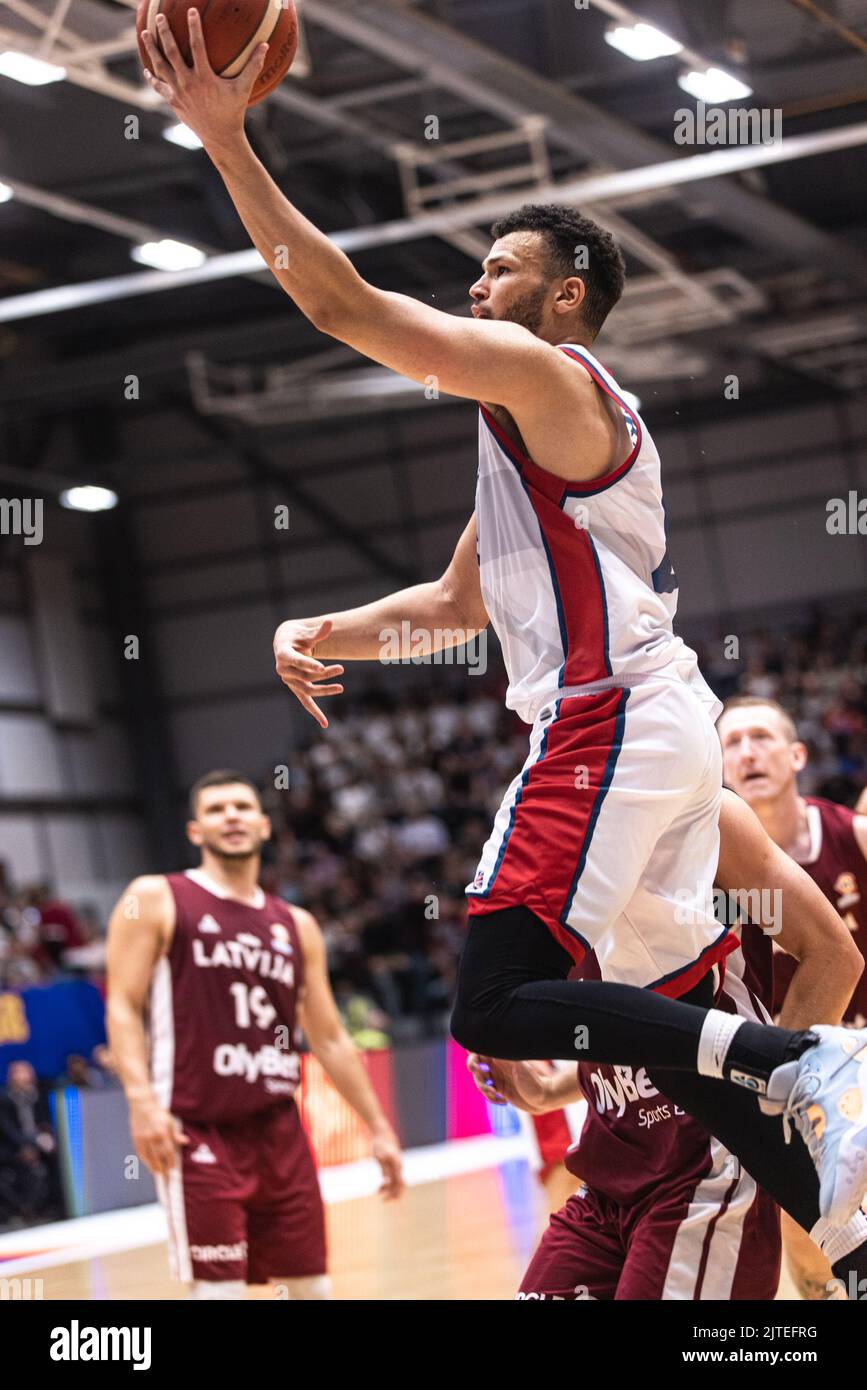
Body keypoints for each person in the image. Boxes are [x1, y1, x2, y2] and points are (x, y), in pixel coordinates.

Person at [142, 26, 867, 1234]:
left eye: (497, 268)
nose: (475, 287)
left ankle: (800, 1057)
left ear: (564, 294)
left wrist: (225, 140)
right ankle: (852, 1244)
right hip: (650, 728)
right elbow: (451, 608)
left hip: (610, 722)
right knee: (675, 1023)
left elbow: (339, 304)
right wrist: (321, 627)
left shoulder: (551, 378)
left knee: (493, 1001)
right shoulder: (536, 437)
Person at [469, 790, 864, 1298]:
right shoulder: (549, 827)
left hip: (709, 1167)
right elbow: (631, 1028)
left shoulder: (708, 813)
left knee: (824, 1257)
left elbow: (834, 955)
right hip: (607, 1173)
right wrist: (550, 1089)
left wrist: (772, 1112)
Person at [107, 770, 403, 1300]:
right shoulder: (157, 897)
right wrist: (141, 1101)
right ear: (195, 830)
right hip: (197, 1129)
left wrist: (378, 1127)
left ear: (265, 826)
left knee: (312, 1288)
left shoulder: (296, 924)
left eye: (242, 807)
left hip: (280, 1129)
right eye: (216, 809)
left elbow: (330, 1038)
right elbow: (123, 1005)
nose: (232, 817)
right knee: (219, 1292)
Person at [719, 695, 867, 1297]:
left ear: (798, 755)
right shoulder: (705, 879)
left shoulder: (854, 836)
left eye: (761, 737)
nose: (748, 752)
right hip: (791, 1100)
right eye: (732, 743)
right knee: (819, 1272)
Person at [0, 1060, 59, 1225]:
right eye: (21, 1073)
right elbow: (8, 1129)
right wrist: (26, 1145)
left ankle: (56, 1205)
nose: (26, 1077)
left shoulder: (39, 1096)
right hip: (13, 1147)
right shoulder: (4, 1099)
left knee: (58, 1158)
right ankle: (24, 1210)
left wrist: (45, 1137)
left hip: (39, 1144)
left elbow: (46, 1122)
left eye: (28, 1072)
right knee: (21, 1164)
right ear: (11, 1077)